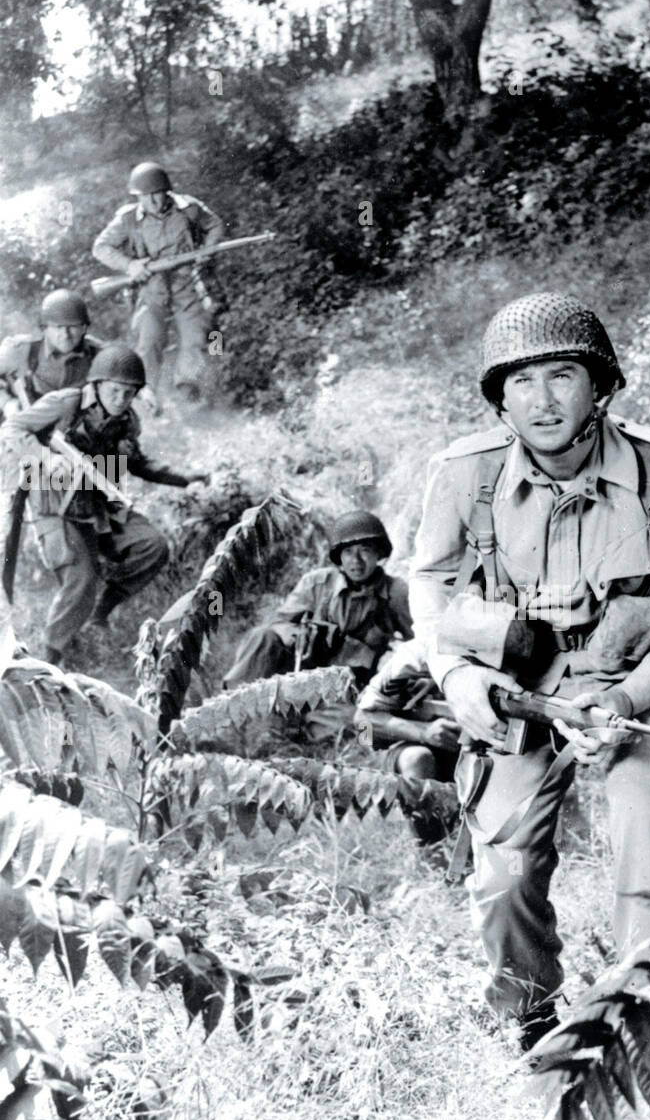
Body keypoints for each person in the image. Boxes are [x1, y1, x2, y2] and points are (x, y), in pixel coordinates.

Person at [409, 291, 650, 1049]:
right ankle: (532, 1022)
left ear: (600, 386)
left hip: (639, 685)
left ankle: (647, 1020)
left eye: (562, 375)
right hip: (519, 693)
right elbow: (427, 583)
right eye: (520, 382)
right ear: (500, 399)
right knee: (504, 873)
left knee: (642, 823)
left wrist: (626, 695)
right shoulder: (464, 474)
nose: (543, 399)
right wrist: (460, 678)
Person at [1, 343, 207, 664]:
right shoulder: (65, 403)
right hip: (53, 503)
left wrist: (185, 479)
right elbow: (13, 428)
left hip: (95, 501)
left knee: (153, 546)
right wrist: (46, 458)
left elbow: (137, 463)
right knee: (82, 579)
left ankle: (100, 611)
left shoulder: (126, 421)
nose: (120, 399)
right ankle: (49, 658)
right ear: (96, 384)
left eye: (129, 393)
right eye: (114, 390)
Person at [223, 510, 412, 692]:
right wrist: (299, 634)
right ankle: (232, 703)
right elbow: (279, 622)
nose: (356, 561)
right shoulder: (316, 583)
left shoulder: (396, 592)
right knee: (262, 636)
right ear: (339, 556)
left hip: (349, 685)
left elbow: (421, 638)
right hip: (303, 672)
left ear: (378, 554)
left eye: (365, 551)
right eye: (348, 552)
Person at [92, 162, 225, 399]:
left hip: (188, 286)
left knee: (197, 339)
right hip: (150, 290)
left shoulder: (188, 209)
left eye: (157, 194)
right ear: (137, 197)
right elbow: (100, 248)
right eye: (146, 196)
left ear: (167, 191)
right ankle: (145, 396)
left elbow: (215, 225)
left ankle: (188, 393)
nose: (152, 201)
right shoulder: (128, 220)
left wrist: (207, 249)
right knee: (149, 340)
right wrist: (129, 265)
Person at [355, 638, 462, 849]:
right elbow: (361, 726)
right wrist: (423, 732)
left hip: (462, 751)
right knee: (418, 758)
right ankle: (430, 847)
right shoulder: (408, 660)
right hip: (405, 751)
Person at [0, 290, 103, 417]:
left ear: (84, 328)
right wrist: (6, 403)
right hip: (20, 429)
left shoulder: (98, 355)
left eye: (73, 327)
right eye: (58, 327)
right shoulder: (21, 350)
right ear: (45, 328)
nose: (65, 335)